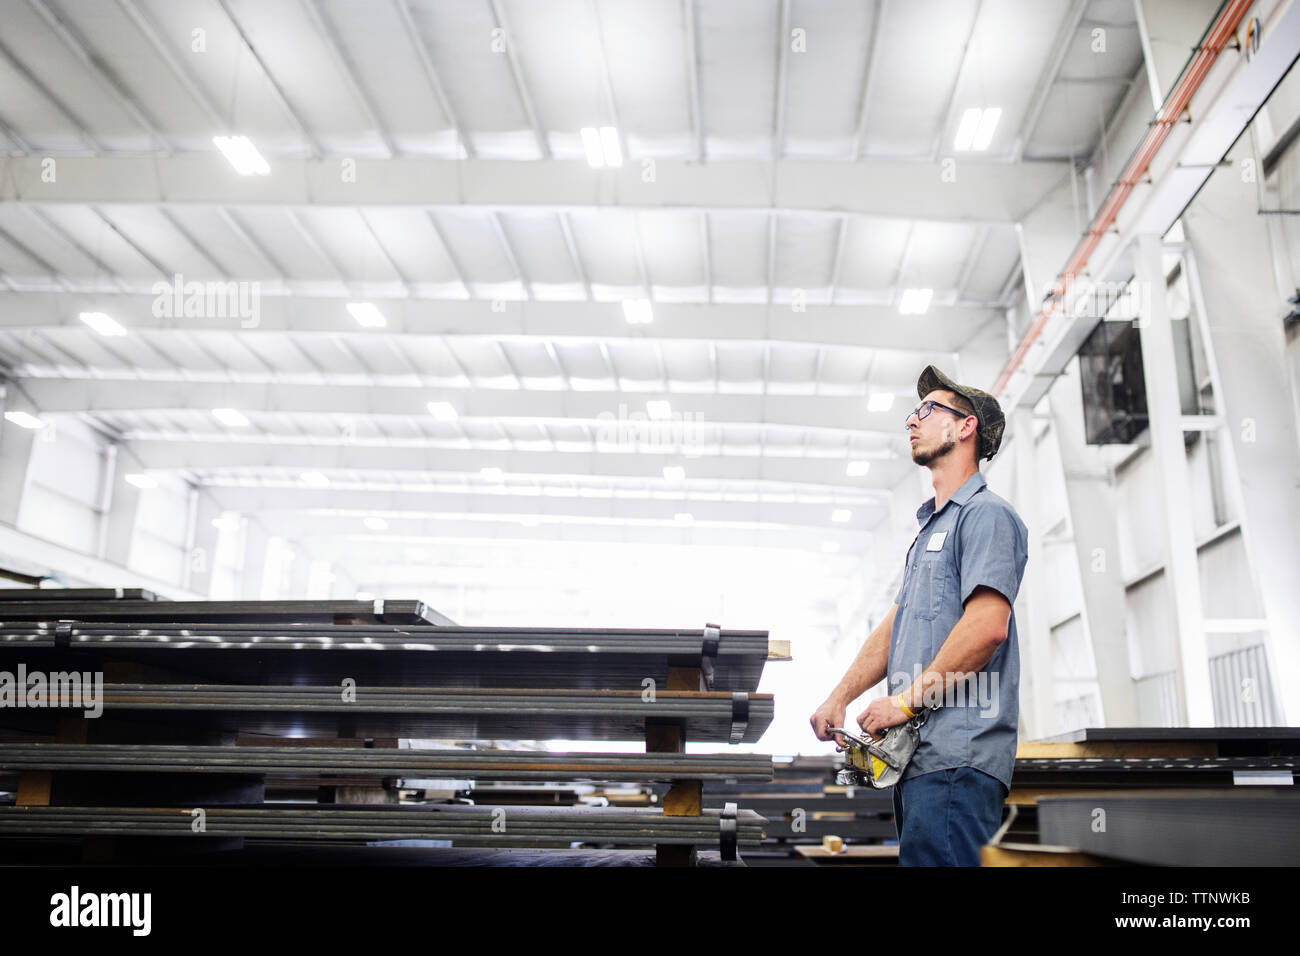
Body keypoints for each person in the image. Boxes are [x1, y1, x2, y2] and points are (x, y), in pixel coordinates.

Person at [809, 365, 1028, 866]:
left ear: (966, 427)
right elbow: (898, 623)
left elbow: (987, 627)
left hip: (958, 756)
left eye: (928, 410)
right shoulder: (932, 531)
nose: (913, 420)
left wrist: (903, 704)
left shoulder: (987, 516)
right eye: (914, 411)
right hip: (922, 761)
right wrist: (839, 697)